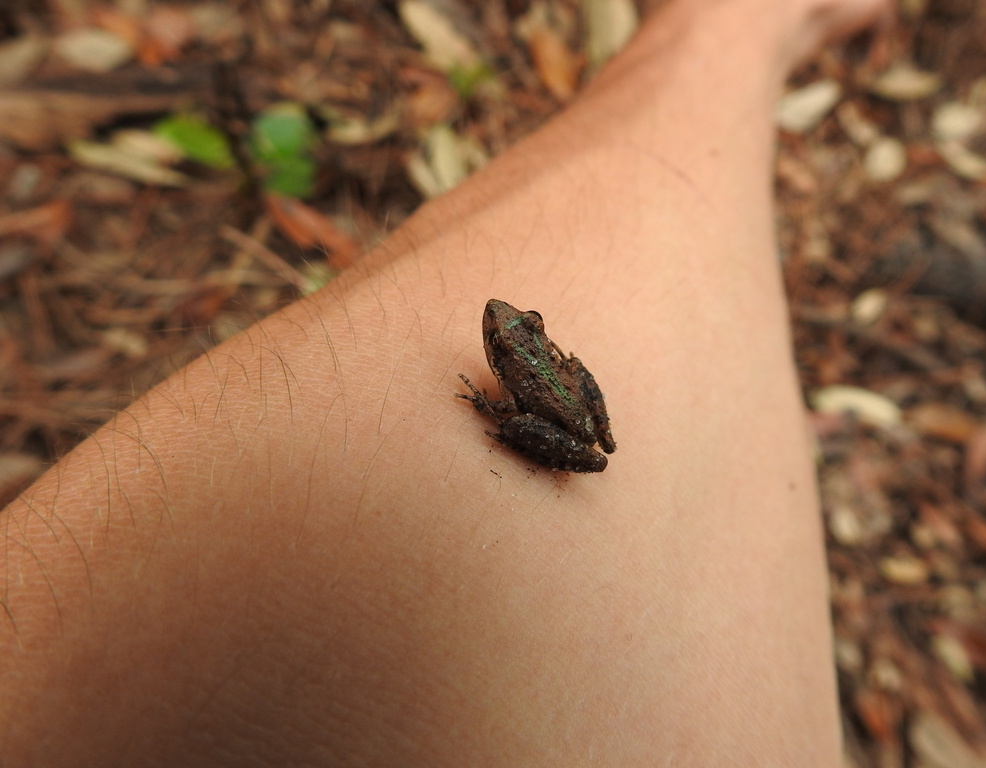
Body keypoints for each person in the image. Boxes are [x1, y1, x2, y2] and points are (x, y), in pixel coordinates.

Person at [1, 0, 888, 764]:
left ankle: (721, 31)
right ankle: (733, 32)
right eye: (508, 336)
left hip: (567, 426)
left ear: (514, 350)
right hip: (580, 409)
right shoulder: (533, 353)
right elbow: (568, 387)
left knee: (541, 429)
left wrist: (504, 412)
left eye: (508, 337)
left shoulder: (514, 367)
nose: (501, 327)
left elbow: (550, 404)